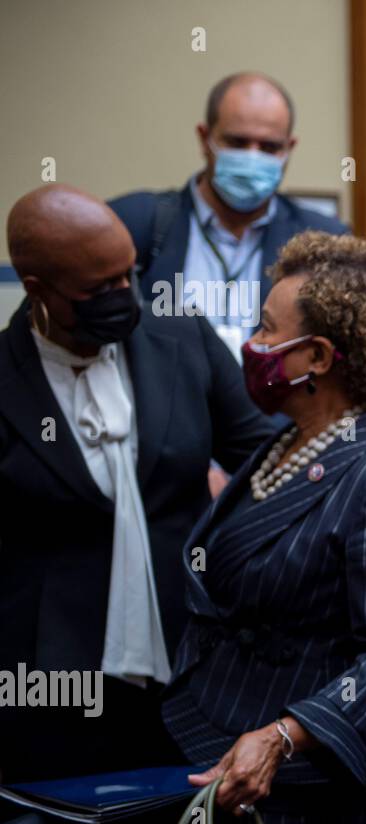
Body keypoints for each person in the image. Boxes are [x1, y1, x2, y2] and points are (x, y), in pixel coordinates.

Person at [160, 231, 366, 824]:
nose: (254, 346)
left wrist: (284, 737)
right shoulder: (283, 445)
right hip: (225, 746)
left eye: (267, 332)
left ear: (316, 355)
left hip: (318, 787)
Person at [0, 185, 273, 791]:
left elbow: (261, 452)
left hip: (190, 663)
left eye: (129, 274)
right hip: (54, 685)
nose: (124, 296)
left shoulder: (179, 336)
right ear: (38, 288)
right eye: (98, 289)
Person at [109, 71, 348, 361]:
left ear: (289, 148)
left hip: (270, 405)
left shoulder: (324, 242)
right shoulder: (137, 223)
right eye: (237, 142)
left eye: (270, 147)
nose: (252, 157)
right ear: (204, 138)